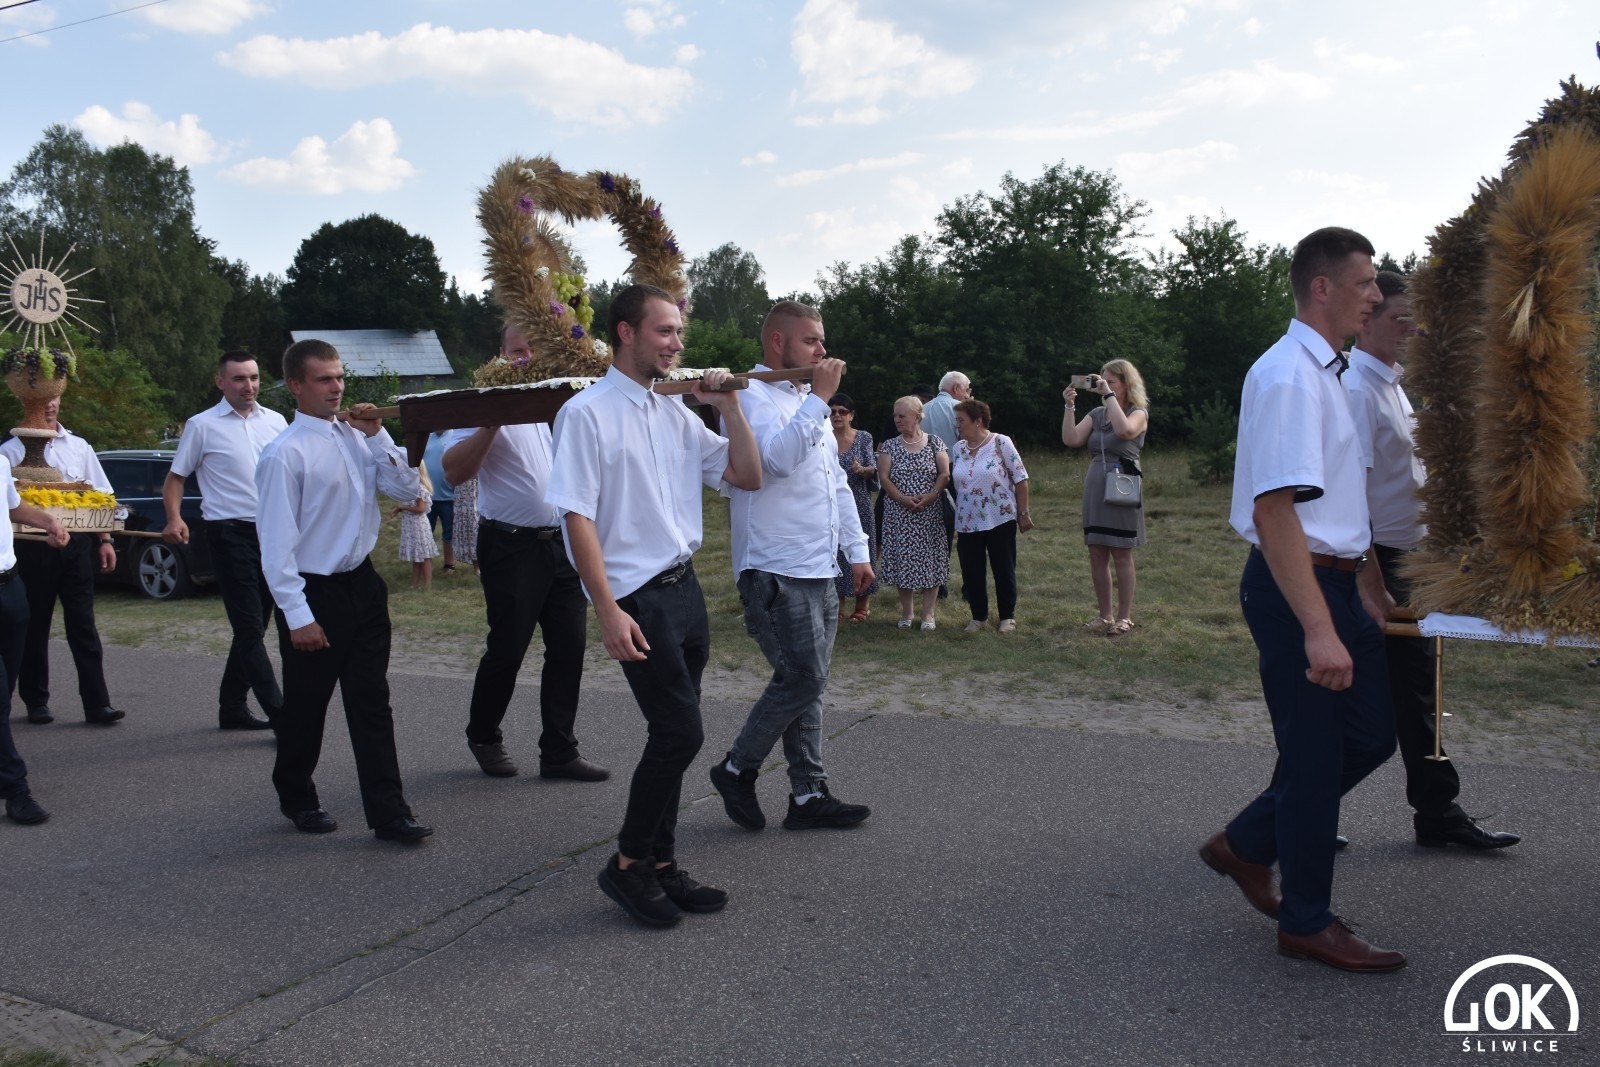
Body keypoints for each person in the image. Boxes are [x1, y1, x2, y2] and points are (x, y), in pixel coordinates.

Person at [1199, 226, 1403, 972]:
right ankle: (1307, 920)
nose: (1377, 296)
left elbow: (1343, 496)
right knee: (1316, 760)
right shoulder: (1287, 374)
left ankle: (1250, 840)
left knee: (1373, 734)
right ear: (1323, 287)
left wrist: (1369, 587)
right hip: (1297, 586)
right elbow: (1274, 511)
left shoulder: (1330, 372)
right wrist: (1320, 627)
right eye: (1366, 283)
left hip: (1338, 579)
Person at [546, 283, 760, 927]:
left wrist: (729, 407)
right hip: (636, 597)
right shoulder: (586, 414)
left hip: (684, 590)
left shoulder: (675, 414)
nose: (676, 344)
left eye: (679, 333)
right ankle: (628, 866)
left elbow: (746, 476)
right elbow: (575, 516)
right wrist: (606, 609)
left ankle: (662, 866)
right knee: (680, 731)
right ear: (625, 332)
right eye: (664, 332)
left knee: (674, 733)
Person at [1344, 271, 1519, 851]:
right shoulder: (1355, 389)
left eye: (1417, 321)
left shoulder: (1392, 385)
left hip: (1409, 556)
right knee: (1354, 697)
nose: (1413, 331)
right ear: (1365, 320)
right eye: (1400, 319)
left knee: (1418, 691)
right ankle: (1290, 811)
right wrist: (1371, 570)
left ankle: (1437, 813)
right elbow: (1350, 493)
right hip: (1374, 560)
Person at [255, 339, 432, 844]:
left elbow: (410, 494)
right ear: (295, 385)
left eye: (339, 377)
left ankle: (389, 813)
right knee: (308, 705)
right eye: (323, 379)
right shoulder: (284, 454)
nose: (337, 388)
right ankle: (295, 793)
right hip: (316, 591)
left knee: (372, 701)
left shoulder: (357, 438)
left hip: (363, 586)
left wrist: (378, 438)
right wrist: (297, 614)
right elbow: (275, 545)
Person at [708, 301, 873, 834]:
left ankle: (807, 795)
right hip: (774, 567)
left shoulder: (809, 405)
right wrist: (820, 400)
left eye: (822, 341)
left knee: (807, 683)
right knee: (804, 677)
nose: (823, 351)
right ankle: (736, 768)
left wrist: (858, 550)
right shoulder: (748, 394)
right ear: (778, 343)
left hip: (819, 564)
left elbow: (835, 483)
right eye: (811, 342)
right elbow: (773, 463)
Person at [443, 325, 607, 783]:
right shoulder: (482, 402)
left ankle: (558, 751)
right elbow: (455, 471)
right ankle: (483, 735)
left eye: (534, 349)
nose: (527, 358)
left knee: (569, 647)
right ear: (500, 353)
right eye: (518, 350)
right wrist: (493, 420)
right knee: (509, 648)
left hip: (558, 543)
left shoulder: (551, 401)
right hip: (510, 545)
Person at [163, 351, 288, 731]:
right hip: (228, 532)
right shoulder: (202, 426)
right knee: (249, 627)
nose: (248, 386)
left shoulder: (277, 421)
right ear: (221, 382)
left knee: (256, 625)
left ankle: (231, 707)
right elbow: (176, 478)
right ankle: (283, 716)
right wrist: (173, 517)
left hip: (273, 532)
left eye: (253, 377)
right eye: (238, 379)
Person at [0, 397, 126, 726]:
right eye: (41, 399)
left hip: (77, 546)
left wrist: (105, 540)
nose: (48, 406)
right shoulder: (9, 451)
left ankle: (98, 704)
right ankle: (36, 700)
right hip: (33, 547)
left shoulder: (79, 446)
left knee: (83, 624)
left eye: (53, 398)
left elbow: (102, 494)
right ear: (27, 402)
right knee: (35, 624)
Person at [1, 454, 70, 824]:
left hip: (10, 590)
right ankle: (16, 790)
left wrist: (48, 521)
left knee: (5, 694)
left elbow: (11, 506)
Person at [1061, 361, 1150, 637]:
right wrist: (1069, 406)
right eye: (1103, 381)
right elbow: (1072, 438)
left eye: (1112, 382)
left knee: (1121, 552)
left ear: (1126, 384)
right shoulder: (1098, 414)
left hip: (1123, 484)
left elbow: (1124, 431)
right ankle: (1105, 615)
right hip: (1097, 484)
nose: (1105, 386)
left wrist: (1109, 397)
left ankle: (1124, 617)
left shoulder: (1138, 413)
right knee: (1097, 551)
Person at [950, 399, 1032, 633]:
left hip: (999, 516)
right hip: (967, 520)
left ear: (978, 421)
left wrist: (1023, 513)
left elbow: (1021, 478)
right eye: (957, 421)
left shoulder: (1000, 442)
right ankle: (979, 617)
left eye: (961, 420)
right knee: (971, 570)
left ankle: (1007, 616)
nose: (958, 425)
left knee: (1003, 567)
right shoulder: (958, 448)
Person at [876, 395, 950, 630]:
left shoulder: (935, 443)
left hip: (930, 512)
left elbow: (944, 473)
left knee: (931, 560)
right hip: (899, 513)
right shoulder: (889, 445)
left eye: (902, 416)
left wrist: (931, 496)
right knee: (903, 560)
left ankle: (928, 614)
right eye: (895, 416)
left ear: (917, 417)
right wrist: (902, 499)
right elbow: (884, 477)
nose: (897, 420)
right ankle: (907, 612)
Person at [829, 392, 879, 622]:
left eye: (842, 411)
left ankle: (862, 605)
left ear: (851, 415)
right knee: (835, 552)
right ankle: (837, 605)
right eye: (832, 411)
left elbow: (873, 468)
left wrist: (863, 470)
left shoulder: (864, 437)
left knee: (862, 551)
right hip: (830, 504)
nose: (837, 415)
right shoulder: (823, 437)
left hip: (858, 501)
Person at [394, 462, 436, 588]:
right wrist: (399, 509)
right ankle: (415, 583)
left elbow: (420, 509)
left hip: (418, 526)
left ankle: (427, 584)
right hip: (411, 525)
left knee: (424, 556)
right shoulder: (410, 488)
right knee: (416, 556)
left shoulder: (419, 488)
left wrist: (402, 507)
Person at [421, 431, 457, 573]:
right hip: (427, 496)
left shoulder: (454, 436)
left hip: (449, 496)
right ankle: (425, 565)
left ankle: (449, 564)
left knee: (449, 532)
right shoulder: (426, 437)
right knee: (425, 531)